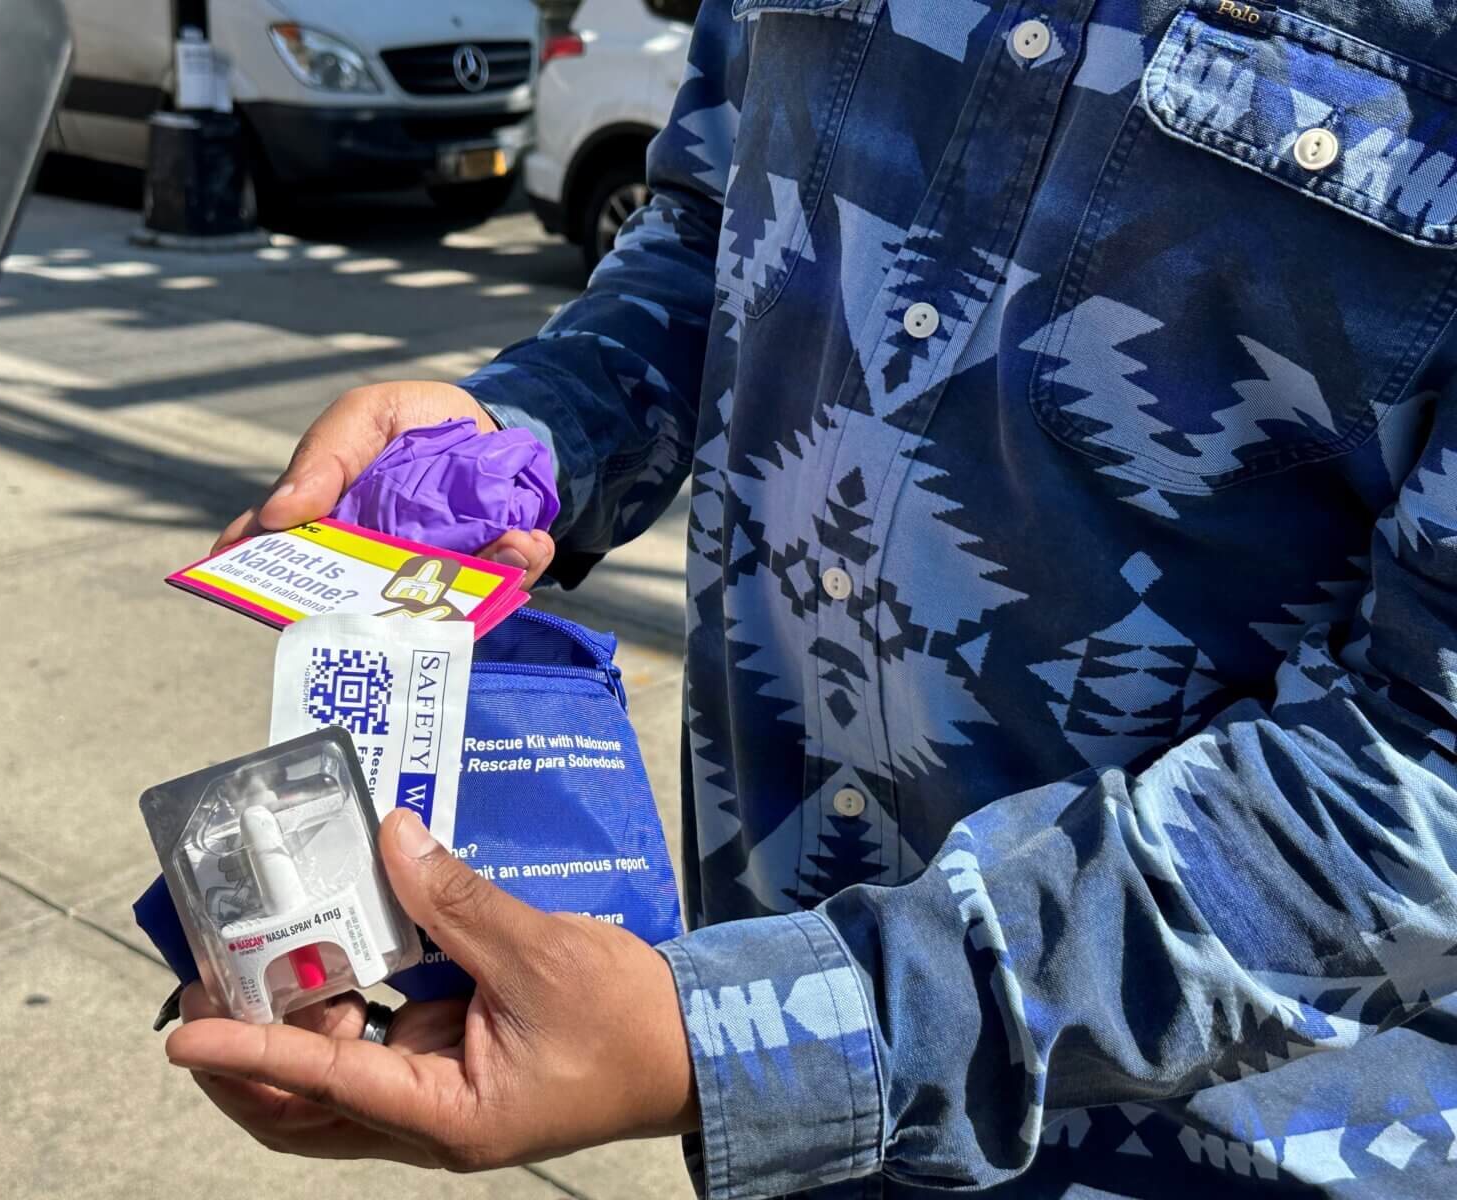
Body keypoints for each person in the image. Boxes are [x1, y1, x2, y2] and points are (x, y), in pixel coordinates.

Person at [163, 1, 1457, 1194]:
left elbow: (1428, 772)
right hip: (779, 1104)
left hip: (1219, 1150)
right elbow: (709, 235)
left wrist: (749, 1035)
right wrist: (525, 441)